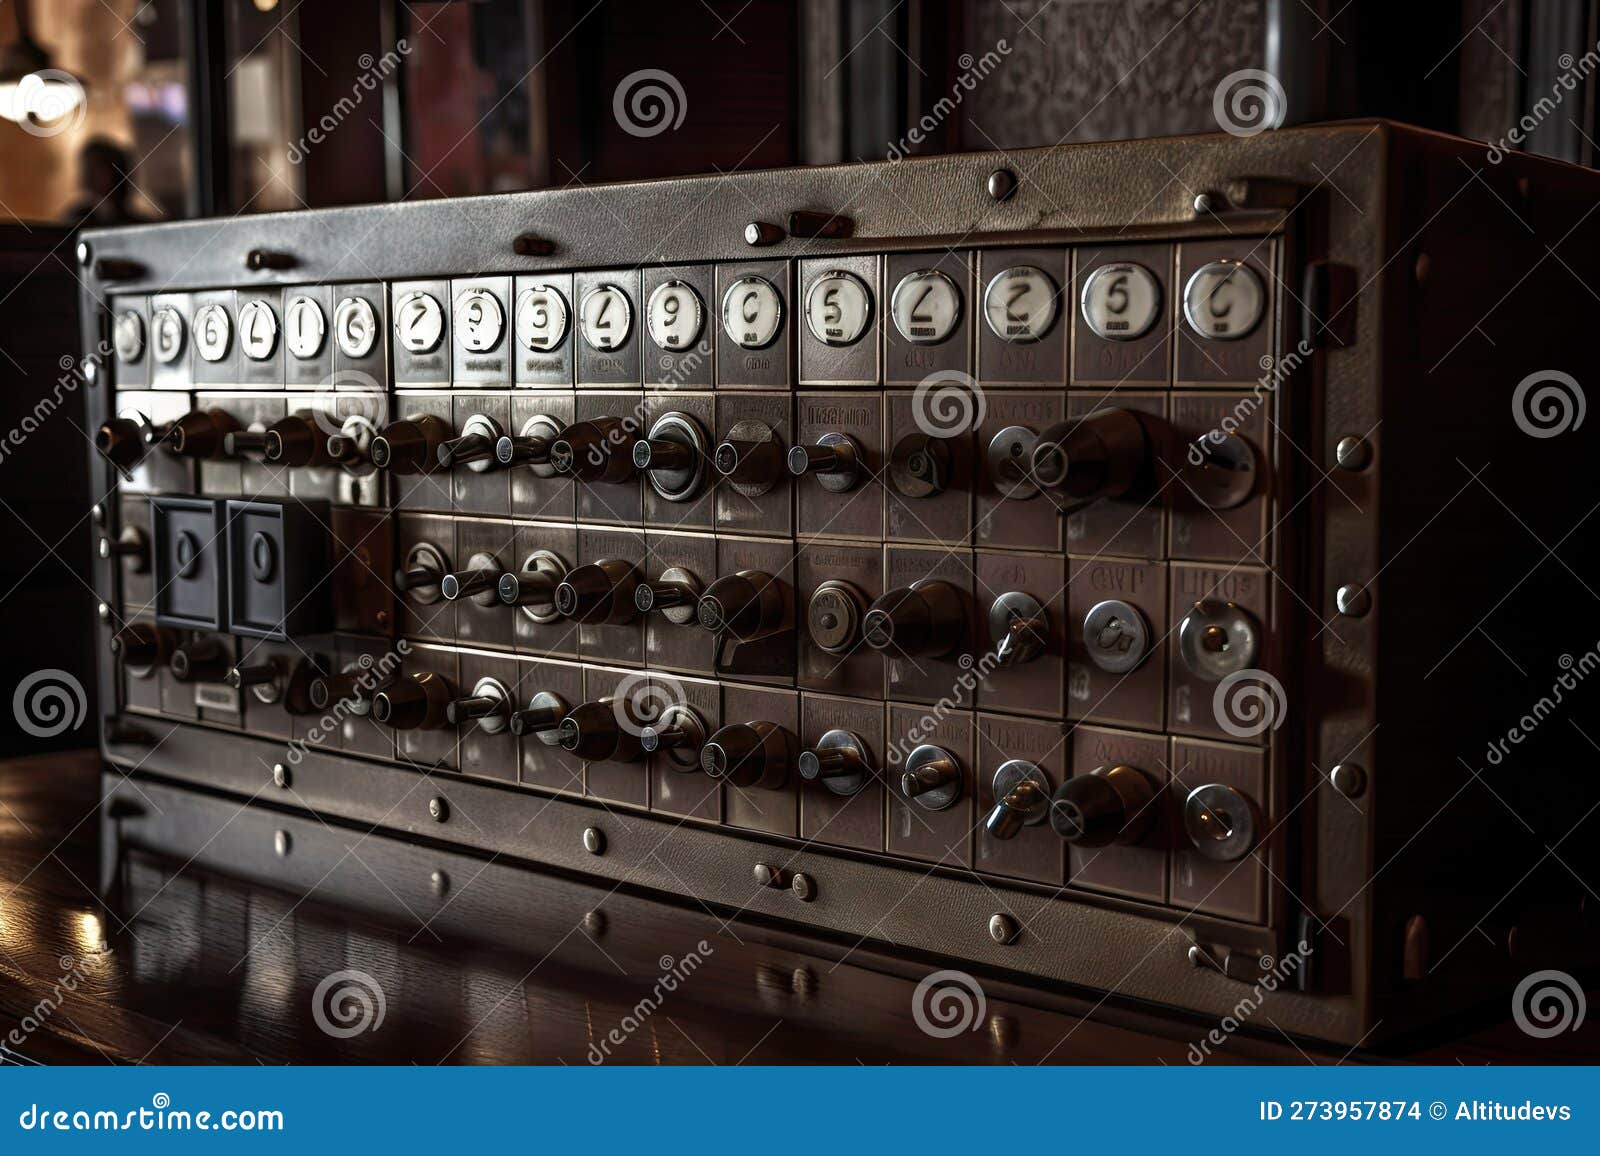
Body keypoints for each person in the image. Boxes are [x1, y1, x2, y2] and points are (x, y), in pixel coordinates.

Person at [65, 136, 146, 226]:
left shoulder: (137, 225)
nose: (89, 175)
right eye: (87, 168)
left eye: (96, 168)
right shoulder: (76, 217)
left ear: (116, 173)